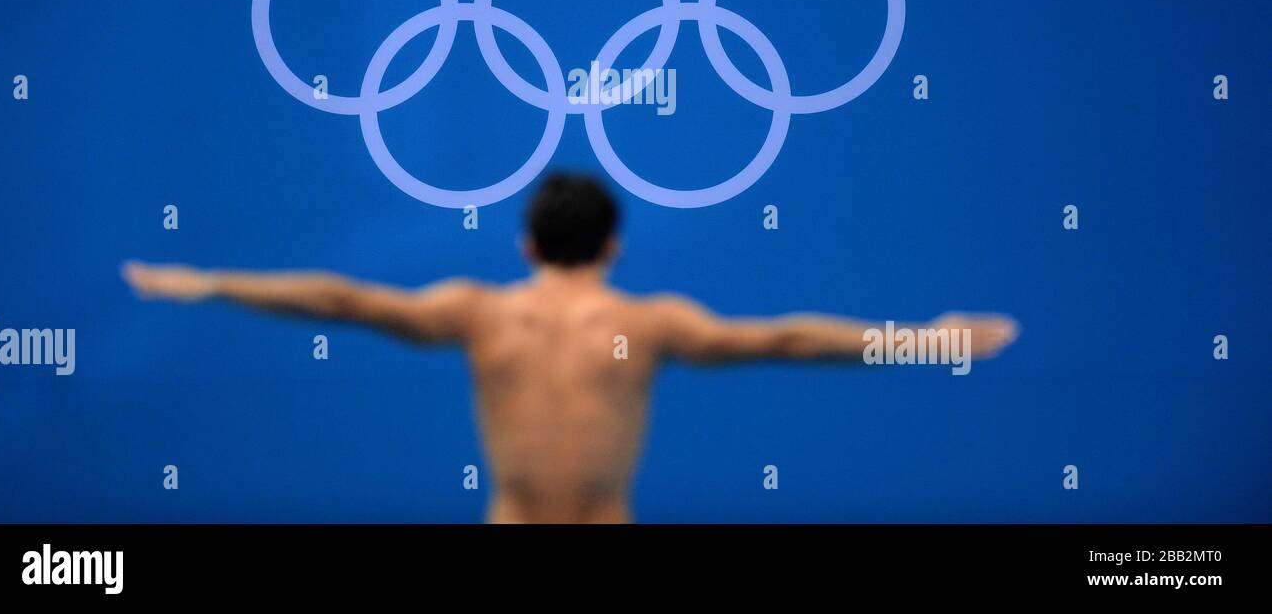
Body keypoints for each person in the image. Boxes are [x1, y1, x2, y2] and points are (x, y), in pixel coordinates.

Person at [122, 172, 1018, 523]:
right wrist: (920, 343)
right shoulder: (653, 323)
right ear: (615, 246)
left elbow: (343, 298)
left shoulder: (479, 313)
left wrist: (210, 280)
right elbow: (786, 338)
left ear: (524, 245)